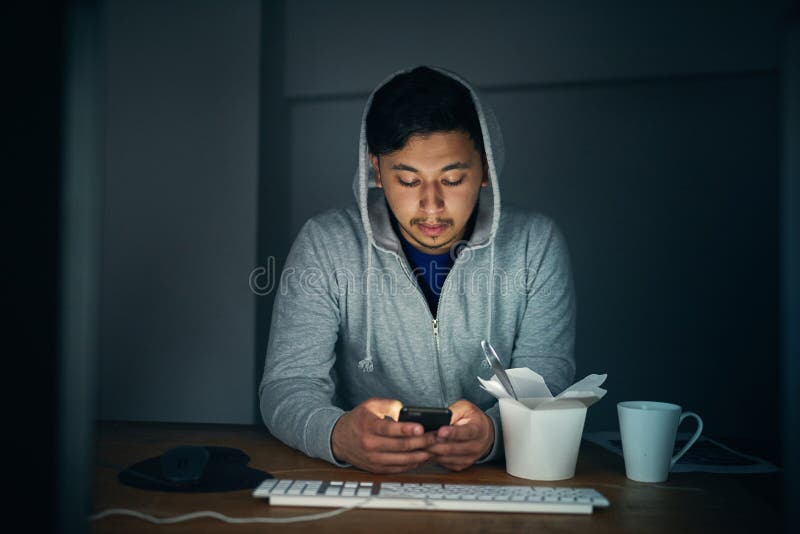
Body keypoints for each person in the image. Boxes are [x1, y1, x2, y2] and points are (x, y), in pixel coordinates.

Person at [259, 66, 576, 474]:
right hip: (365, 483)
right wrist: (338, 434)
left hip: (495, 483)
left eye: (454, 178)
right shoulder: (326, 244)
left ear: (484, 169)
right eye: (408, 181)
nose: (431, 205)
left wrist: (495, 433)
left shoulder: (535, 243)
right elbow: (288, 385)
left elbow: (547, 379)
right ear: (376, 170)